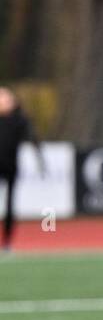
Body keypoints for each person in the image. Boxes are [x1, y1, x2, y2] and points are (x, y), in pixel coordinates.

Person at [0, 87, 44, 251]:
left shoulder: (19, 120)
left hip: (10, 166)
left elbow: (32, 138)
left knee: (10, 205)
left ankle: (7, 242)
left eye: (4, 97)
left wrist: (41, 160)